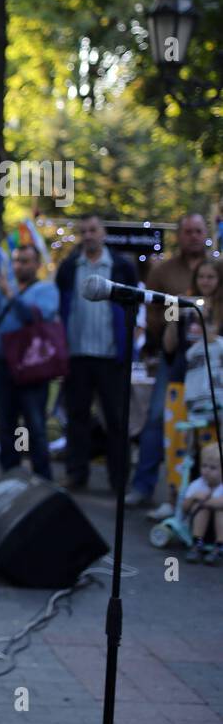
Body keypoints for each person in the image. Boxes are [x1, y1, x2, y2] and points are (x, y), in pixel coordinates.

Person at [132, 212, 210, 507]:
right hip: (174, 356)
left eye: (198, 230)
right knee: (156, 418)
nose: (193, 235)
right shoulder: (162, 271)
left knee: (208, 421)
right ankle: (144, 486)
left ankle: (205, 495)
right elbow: (152, 315)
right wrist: (172, 319)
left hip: (211, 359)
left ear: (206, 233)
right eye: (187, 230)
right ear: (179, 234)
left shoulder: (218, 267)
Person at [55, 214, 138, 491]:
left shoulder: (121, 267)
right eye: (84, 231)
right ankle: (76, 474)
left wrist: (127, 344)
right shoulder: (68, 268)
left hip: (110, 356)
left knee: (116, 419)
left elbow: (131, 308)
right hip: (77, 355)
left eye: (93, 230)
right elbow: (62, 307)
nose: (88, 235)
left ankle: (119, 480)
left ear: (103, 233)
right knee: (76, 418)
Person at [0, 244, 59, 479]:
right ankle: (10, 475)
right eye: (16, 261)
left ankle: (43, 479)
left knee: (35, 426)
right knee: (5, 425)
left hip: (32, 367)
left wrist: (8, 293)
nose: (19, 266)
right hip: (3, 367)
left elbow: (34, 317)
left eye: (25, 261)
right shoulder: (4, 289)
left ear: (37, 265)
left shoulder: (46, 289)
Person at [167, 259, 223, 424]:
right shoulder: (186, 303)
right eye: (201, 276)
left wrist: (203, 320)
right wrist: (172, 313)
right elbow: (169, 347)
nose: (204, 281)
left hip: (213, 384)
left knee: (211, 443)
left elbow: (215, 344)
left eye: (210, 277)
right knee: (179, 439)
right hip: (182, 376)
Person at [184, 442, 223, 565]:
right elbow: (184, 508)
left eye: (213, 468)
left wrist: (207, 500)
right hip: (199, 528)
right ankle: (197, 545)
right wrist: (193, 497)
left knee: (220, 509)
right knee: (200, 508)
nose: (206, 470)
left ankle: (219, 547)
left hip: (219, 529)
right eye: (204, 466)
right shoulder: (197, 485)